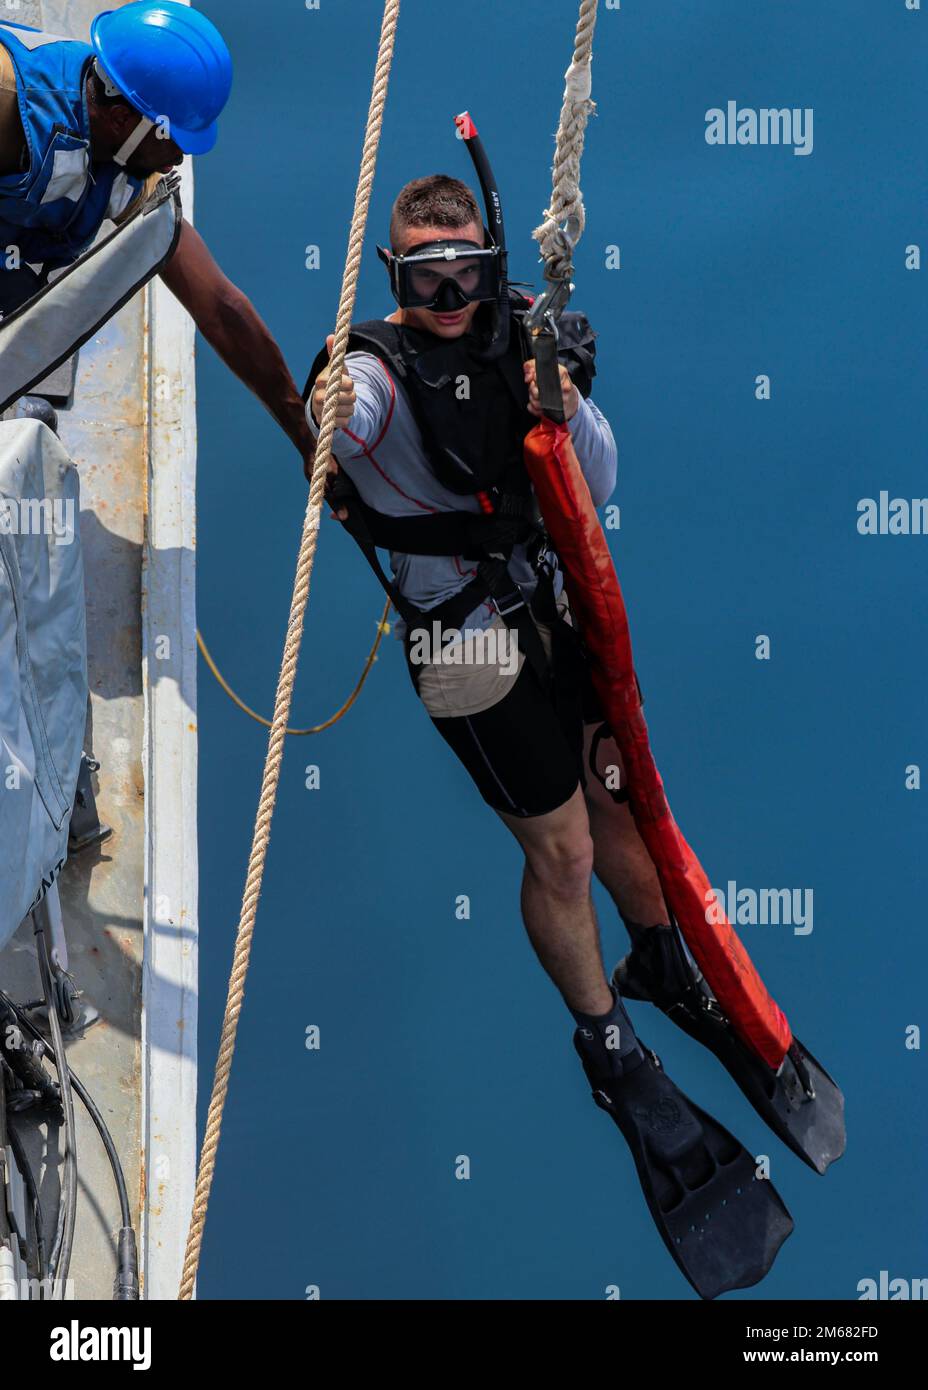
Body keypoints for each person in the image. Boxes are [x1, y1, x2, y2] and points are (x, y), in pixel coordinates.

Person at [304, 148, 806, 1297]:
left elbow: (601, 480)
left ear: (487, 267)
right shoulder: (370, 373)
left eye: (465, 279)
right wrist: (326, 406)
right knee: (564, 846)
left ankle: (663, 966)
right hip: (464, 641)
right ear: (393, 280)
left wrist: (561, 405)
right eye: (424, 286)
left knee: (622, 804)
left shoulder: (518, 337)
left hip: (545, 599)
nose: (449, 306)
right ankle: (610, 1047)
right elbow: (349, 417)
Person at [0, 3, 312, 467]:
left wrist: (304, 437)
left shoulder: (122, 150)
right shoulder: (11, 105)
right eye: (173, 140)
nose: (179, 159)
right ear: (123, 120)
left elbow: (220, 308)